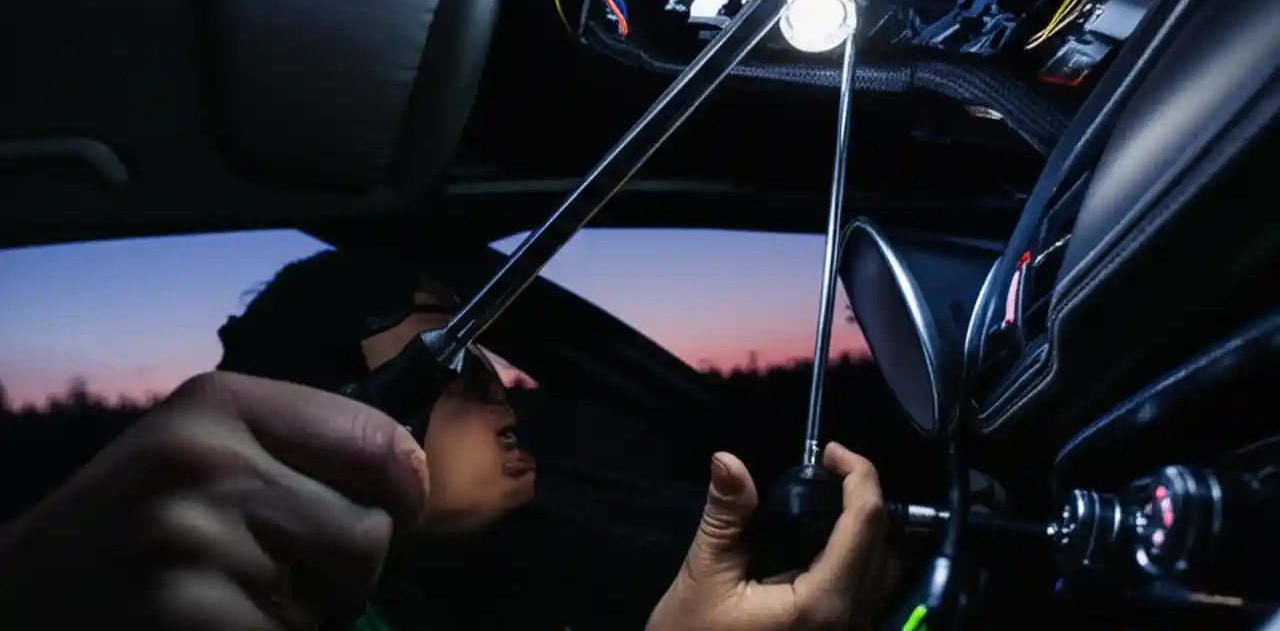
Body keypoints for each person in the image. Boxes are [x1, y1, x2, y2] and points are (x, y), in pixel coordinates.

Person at [0, 250, 896, 630]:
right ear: (329, 415)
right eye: (452, 366)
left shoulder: (540, 556)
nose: (499, 388)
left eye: (489, 358)